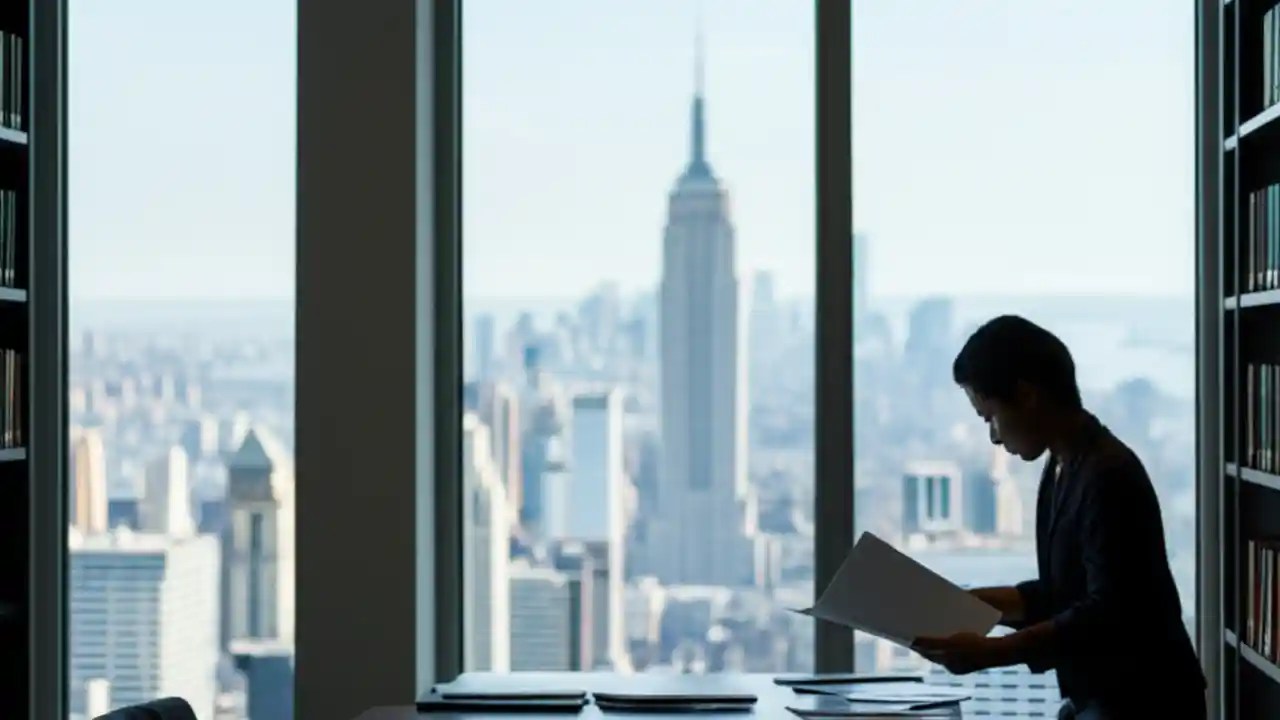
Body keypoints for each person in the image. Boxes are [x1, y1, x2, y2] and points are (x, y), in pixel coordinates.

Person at [911, 315, 1205, 719]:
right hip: (1103, 698)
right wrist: (970, 605)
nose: (994, 436)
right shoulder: (1063, 466)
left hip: (1144, 702)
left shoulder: (1107, 474)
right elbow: (1064, 594)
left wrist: (994, 652)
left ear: (1027, 395)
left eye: (990, 417)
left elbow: (1108, 613)